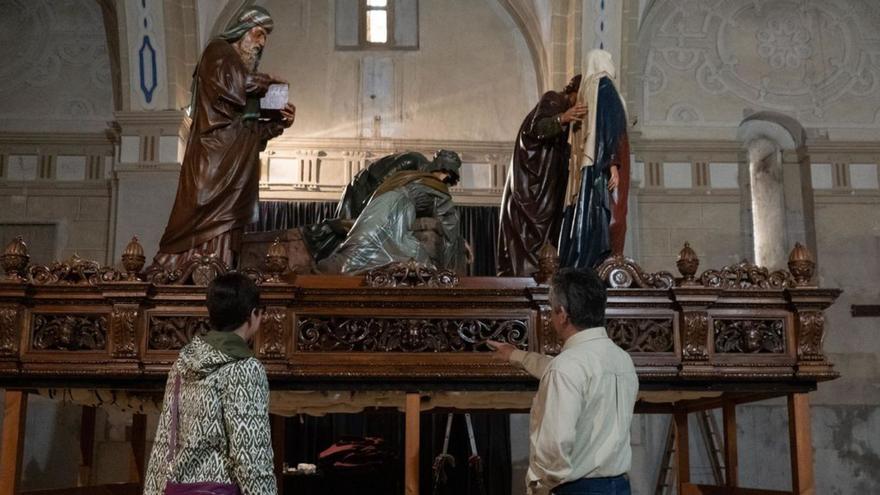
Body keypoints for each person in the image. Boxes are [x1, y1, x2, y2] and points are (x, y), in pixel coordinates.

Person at [153, 6, 295, 270]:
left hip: (236, 167)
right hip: (212, 162)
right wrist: (269, 84)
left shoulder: (238, 74)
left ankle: (219, 269)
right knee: (204, 222)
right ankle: (191, 267)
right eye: (259, 34)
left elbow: (249, 128)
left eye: (265, 38)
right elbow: (242, 86)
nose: (261, 44)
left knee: (227, 228)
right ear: (241, 30)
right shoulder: (219, 52)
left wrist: (279, 121)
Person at [489, 268, 638, 495]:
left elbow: (554, 448)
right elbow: (569, 371)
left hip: (578, 489)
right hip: (620, 486)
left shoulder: (566, 367)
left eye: (551, 309)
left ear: (562, 314)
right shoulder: (622, 359)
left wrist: (536, 487)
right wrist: (515, 355)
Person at [143, 273, 276, 495]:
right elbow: (252, 457)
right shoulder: (245, 368)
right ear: (252, 314)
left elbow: (163, 445)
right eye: (260, 314)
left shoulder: (182, 364)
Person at [496, 75, 587, 277]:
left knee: (546, 233)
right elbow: (536, 129)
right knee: (531, 232)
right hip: (532, 185)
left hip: (545, 184)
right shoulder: (554, 99)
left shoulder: (564, 110)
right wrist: (561, 118)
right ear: (576, 91)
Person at [302, 150, 462, 262]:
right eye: (446, 173)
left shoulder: (426, 183)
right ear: (441, 167)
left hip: (385, 201)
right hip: (364, 190)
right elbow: (381, 182)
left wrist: (459, 242)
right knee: (350, 231)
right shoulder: (413, 160)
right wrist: (370, 211)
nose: (445, 180)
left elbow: (441, 218)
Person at [558, 49, 631, 269]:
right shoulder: (605, 85)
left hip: (590, 164)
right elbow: (609, 127)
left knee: (591, 211)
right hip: (607, 160)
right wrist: (613, 165)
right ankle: (608, 260)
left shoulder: (587, 88)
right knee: (612, 210)